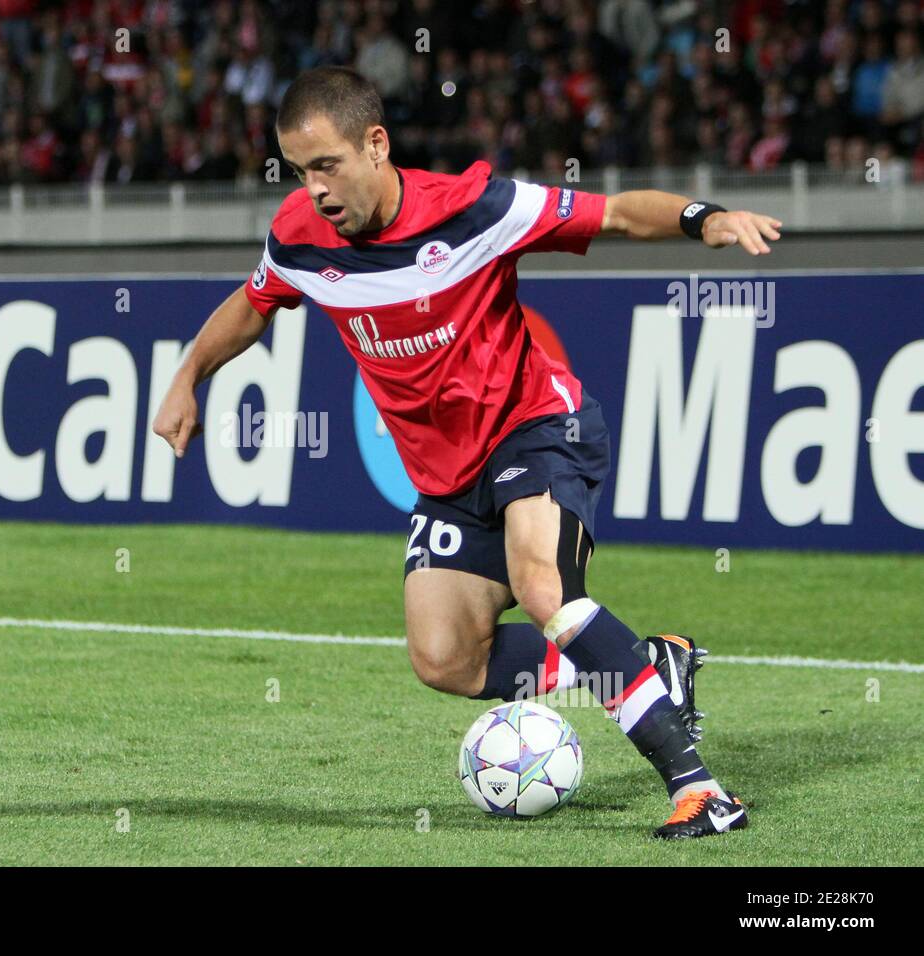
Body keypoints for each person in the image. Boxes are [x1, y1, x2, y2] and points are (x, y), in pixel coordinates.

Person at [152, 67, 782, 839]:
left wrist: (703, 219)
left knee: (543, 585)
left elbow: (615, 213)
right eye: (298, 171)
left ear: (376, 144)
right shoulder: (300, 234)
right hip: (446, 478)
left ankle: (700, 791)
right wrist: (189, 374)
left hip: (538, 427)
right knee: (445, 657)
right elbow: (256, 301)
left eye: (327, 165)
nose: (314, 188)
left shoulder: (475, 208)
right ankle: (651, 664)